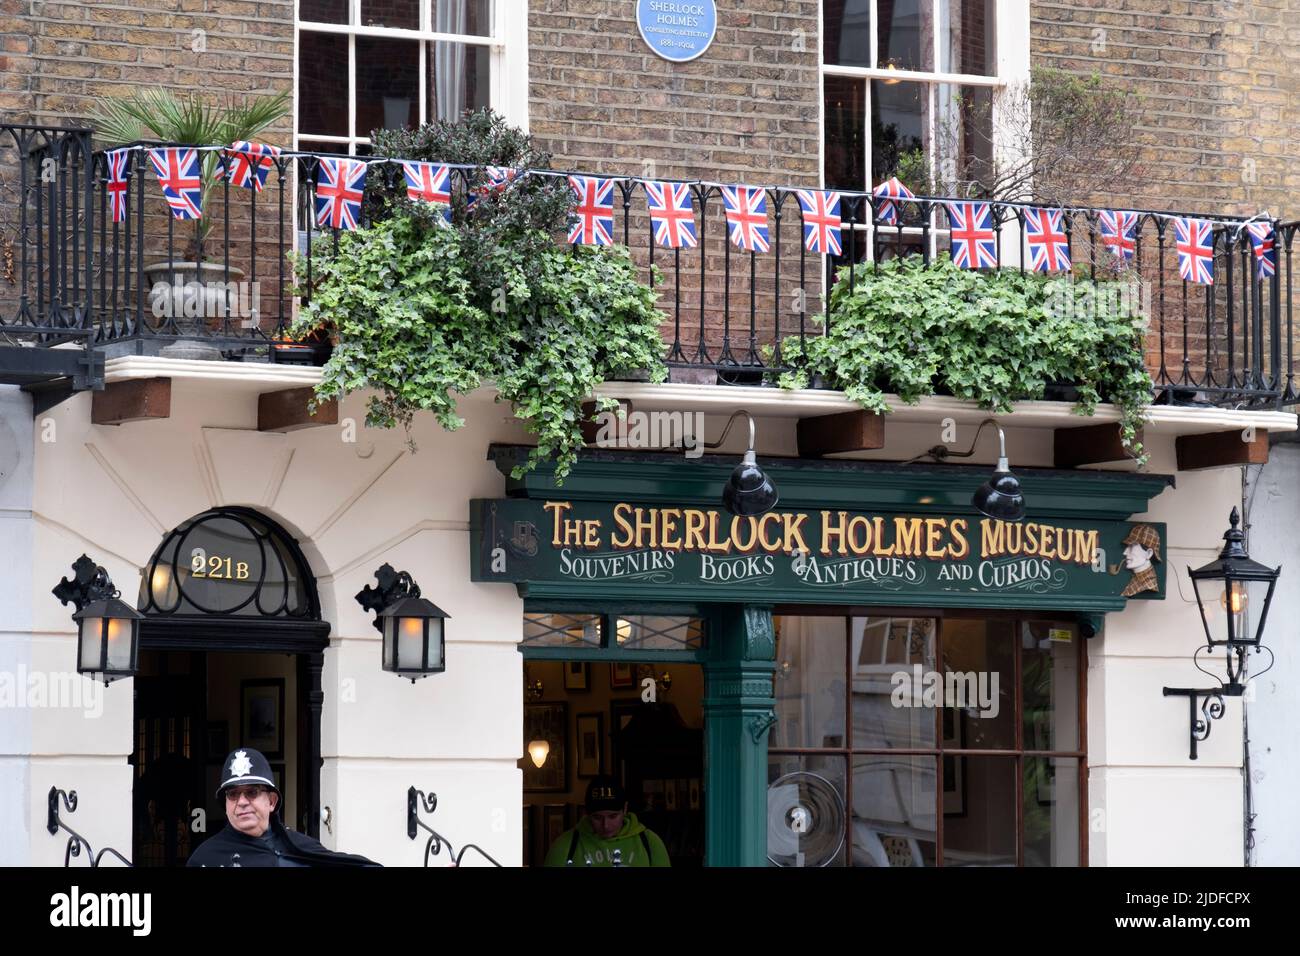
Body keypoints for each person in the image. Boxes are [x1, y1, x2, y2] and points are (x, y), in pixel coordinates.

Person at [187, 747, 379, 867]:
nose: (242, 801)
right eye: (233, 794)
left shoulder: (301, 846)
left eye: (252, 792)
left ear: (271, 801)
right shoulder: (206, 858)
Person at [542, 776, 670, 867]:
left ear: (625, 809)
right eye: (597, 817)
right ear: (587, 813)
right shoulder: (565, 845)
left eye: (613, 816)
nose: (606, 825)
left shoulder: (649, 842)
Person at [1119, 523, 1161, 597]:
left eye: (1132, 547)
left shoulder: (1148, 583)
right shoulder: (1138, 578)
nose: (1125, 552)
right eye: (1128, 546)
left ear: (1149, 553)